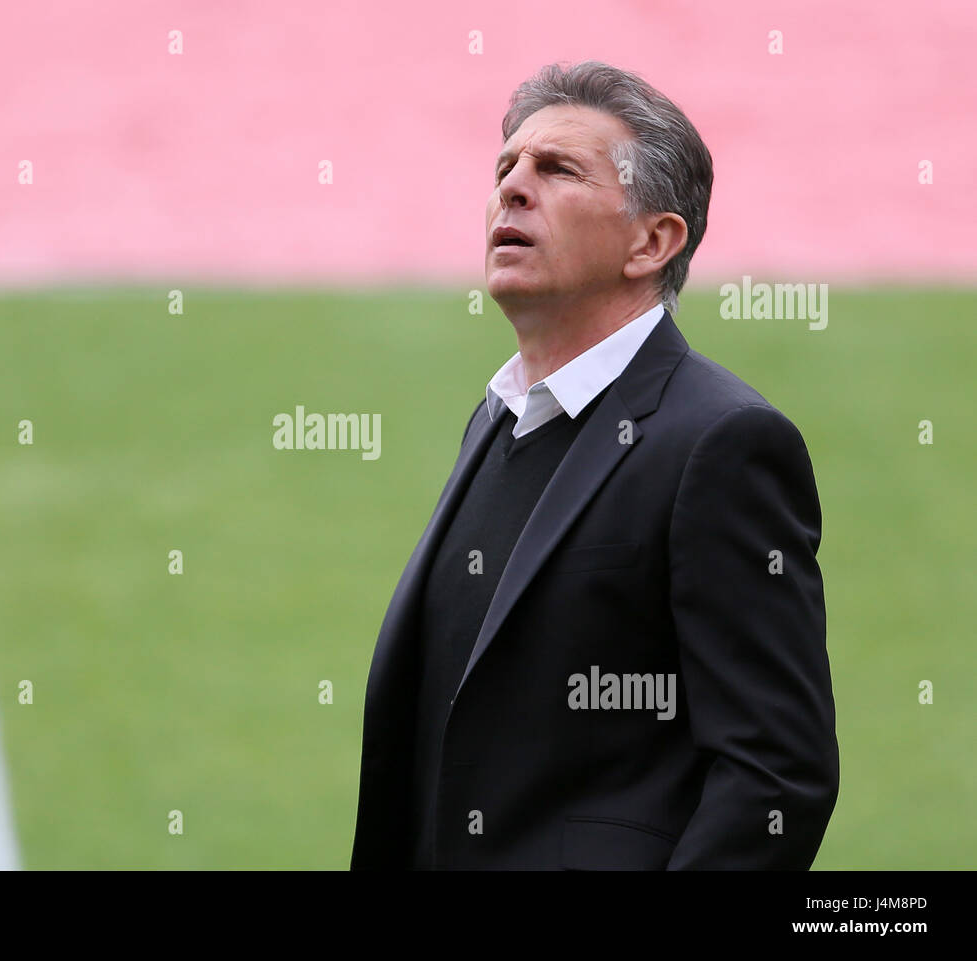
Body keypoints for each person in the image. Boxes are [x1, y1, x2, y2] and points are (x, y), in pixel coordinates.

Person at [350, 60, 838, 870]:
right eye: (505, 167)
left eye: (557, 170)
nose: (512, 187)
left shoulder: (721, 443)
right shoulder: (498, 420)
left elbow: (777, 774)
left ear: (652, 241)